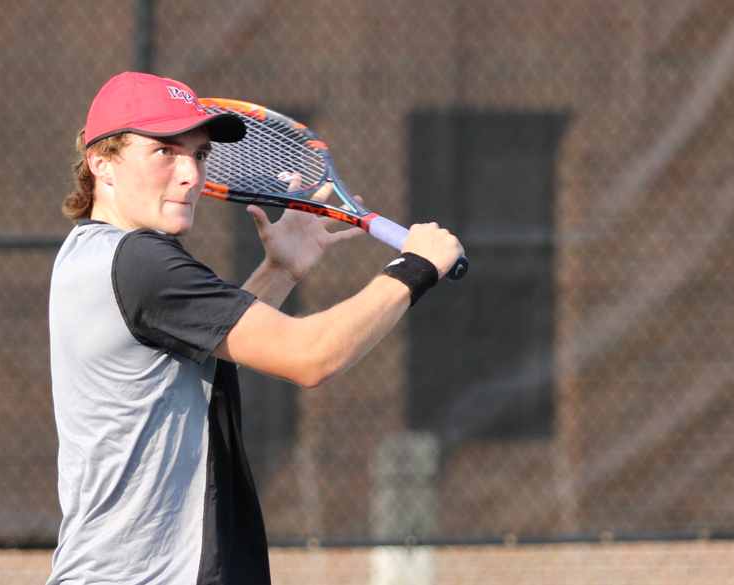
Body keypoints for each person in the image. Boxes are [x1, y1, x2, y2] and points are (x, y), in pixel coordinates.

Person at [47, 72, 463, 584]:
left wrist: (279, 271)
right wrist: (415, 267)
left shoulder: (87, 252)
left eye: (199, 154)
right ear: (101, 163)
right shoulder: (141, 263)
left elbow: (194, 357)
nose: (191, 174)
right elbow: (312, 356)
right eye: (165, 152)